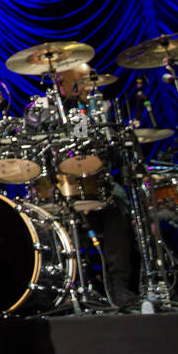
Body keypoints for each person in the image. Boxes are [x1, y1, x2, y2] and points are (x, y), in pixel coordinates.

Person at [53, 65, 140, 310]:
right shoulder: (52, 111)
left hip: (99, 182)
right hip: (63, 185)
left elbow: (113, 154)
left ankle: (119, 286)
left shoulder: (99, 108)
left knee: (118, 204)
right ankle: (70, 287)